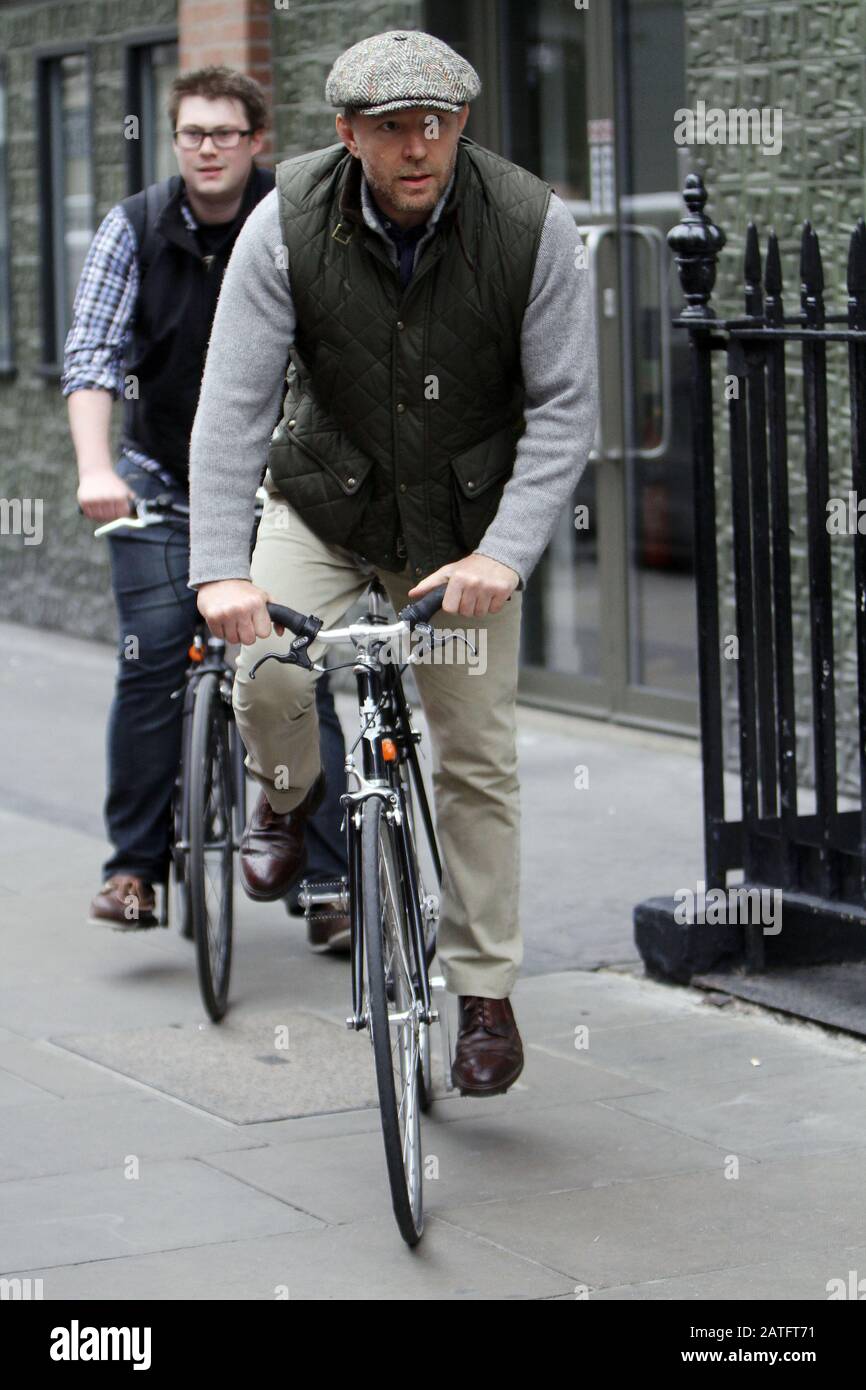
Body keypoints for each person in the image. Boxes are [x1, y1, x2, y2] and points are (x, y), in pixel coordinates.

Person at [188, 32, 599, 1096]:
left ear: (461, 122)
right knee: (267, 673)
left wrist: (504, 555)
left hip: (463, 535)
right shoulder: (283, 220)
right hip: (324, 502)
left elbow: (562, 413)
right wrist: (216, 568)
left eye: (435, 123)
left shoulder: (529, 226)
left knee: (474, 755)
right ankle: (283, 795)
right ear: (346, 134)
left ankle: (484, 993)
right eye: (388, 128)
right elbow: (232, 407)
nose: (416, 147)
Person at [62, 65, 349, 948]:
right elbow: (93, 356)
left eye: (226, 133)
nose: (208, 148)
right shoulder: (135, 226)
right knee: (151, 659)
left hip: (277, 482)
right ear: (174, 139)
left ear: (256, 139)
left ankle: (333, 884)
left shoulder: (295, 216)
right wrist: (94, 469)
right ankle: (134, 871)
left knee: (298, 669)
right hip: (157, 474)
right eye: (192, 133)